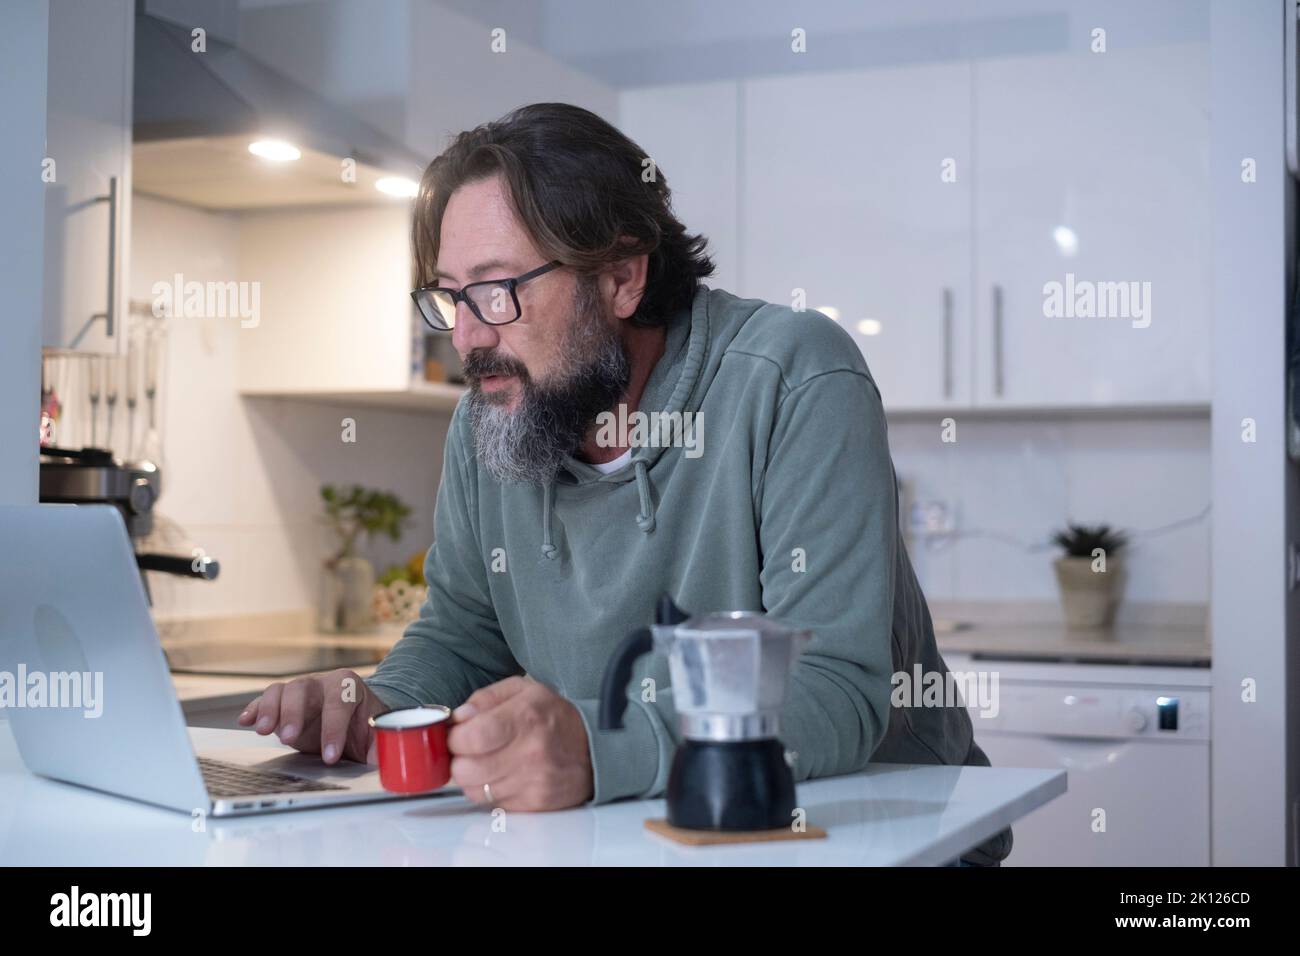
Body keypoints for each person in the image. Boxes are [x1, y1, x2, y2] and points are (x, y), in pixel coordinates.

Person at [239, 102, 1010, 865]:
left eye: (497, 290)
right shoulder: (489, 421)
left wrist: (598, 748)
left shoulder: (793, 377)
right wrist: (372, 706)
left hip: (878, 837)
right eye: (451, 296)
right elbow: (462, 635)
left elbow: (838, 691)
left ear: (621, 278)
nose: (468, 338)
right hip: (645, 837)